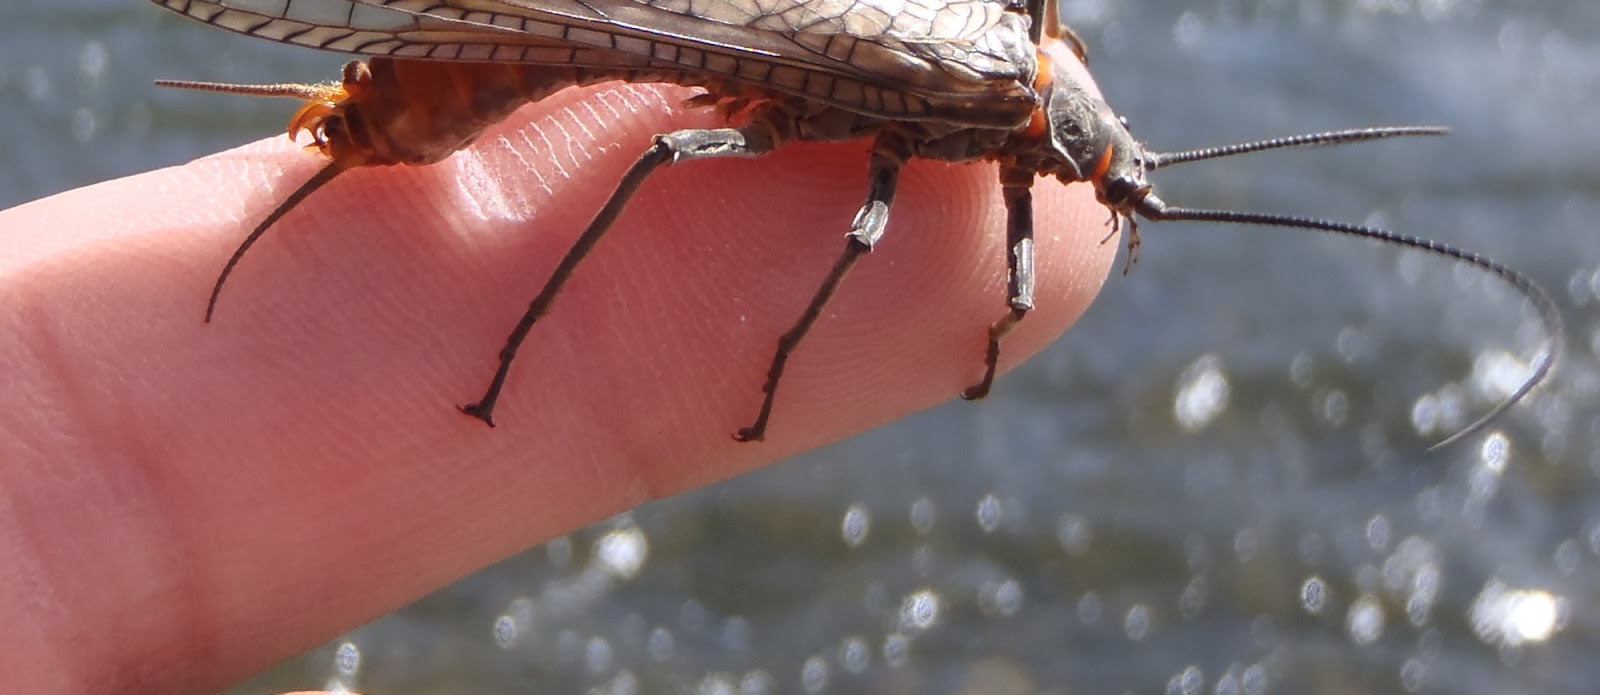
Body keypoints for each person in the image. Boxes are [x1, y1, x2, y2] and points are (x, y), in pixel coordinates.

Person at [0, 74, 1113, 695]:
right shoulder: (1001, 122)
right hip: (727, 45)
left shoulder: (1018, 93)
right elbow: (999, 285)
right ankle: (507, 304)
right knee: (683, 165)